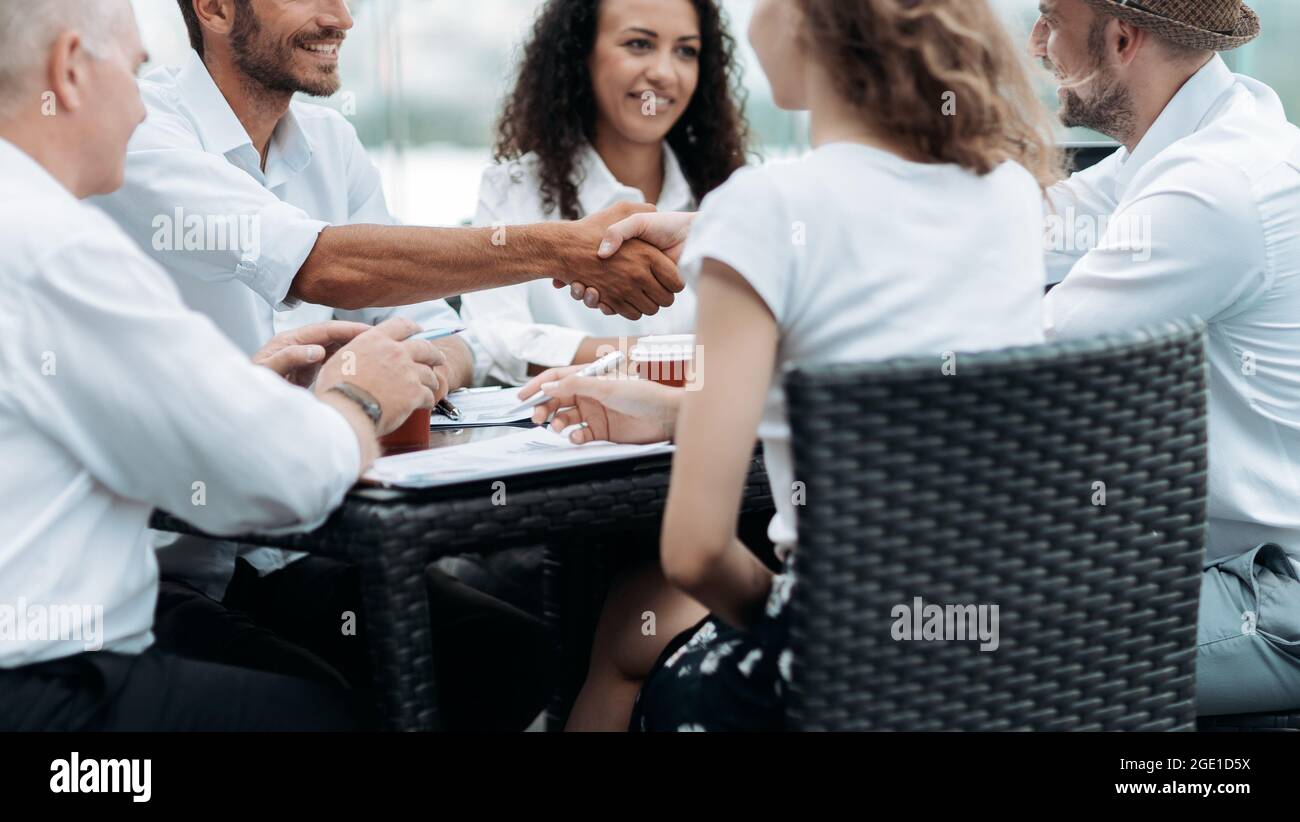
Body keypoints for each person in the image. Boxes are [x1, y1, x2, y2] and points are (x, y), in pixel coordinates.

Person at [528, 0, 1063, 731]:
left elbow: (695, 552)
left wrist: (809, 621)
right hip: (1004, 642)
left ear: (808, 22)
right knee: (632, 611)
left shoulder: (765, 207)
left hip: (854, 669)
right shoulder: (1008, 192)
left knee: (632, 615)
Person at [93, 0, 568, 730]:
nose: (342, 16)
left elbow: (446, 333)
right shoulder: (139, 135)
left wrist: (418, 366)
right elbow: (321, 264)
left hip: (296, 551)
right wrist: (564, 247)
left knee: (521, 657)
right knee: (325, 703)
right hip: (166, 564)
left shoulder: (331, 141)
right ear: (216, 8)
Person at [0, 0, 439, 730]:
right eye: (136, 72)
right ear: (71, 69)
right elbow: (279, 478)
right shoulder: (54, 246)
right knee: (335, 718)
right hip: (50, 696)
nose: (143, 109)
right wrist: (359, 400)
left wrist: (234, 393)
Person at [1029, 0, 1300, 716]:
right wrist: (730, 235)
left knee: (971, 645)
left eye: (1050, 19)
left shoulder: (1216, 187)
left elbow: (1024, 364)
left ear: (1120, 39)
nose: (1035, 44)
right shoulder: (1193, 144)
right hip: (1218, 561)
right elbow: (1000, 226)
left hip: (1275, 591)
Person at [460, 0, 747, 385]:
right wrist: (680, 360)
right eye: (639, 44)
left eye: (685, 51)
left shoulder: (732, 194)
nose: (664, 73)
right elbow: (494, 339)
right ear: (581, 55)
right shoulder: (512, 188)